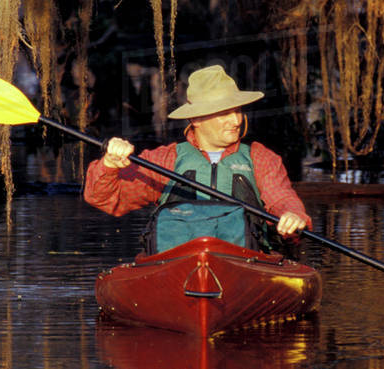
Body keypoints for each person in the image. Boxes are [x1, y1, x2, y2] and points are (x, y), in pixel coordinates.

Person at [83, 64, 310, 254]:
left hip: (245, 262)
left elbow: (281, 198)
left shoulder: (260, 159)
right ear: (196, 118)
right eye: (224, 113)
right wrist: (109, 165)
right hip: (177, 263)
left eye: (238, 110)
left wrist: (292, 216)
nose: (236, 120)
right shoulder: (165, 159)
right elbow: (103, 198)